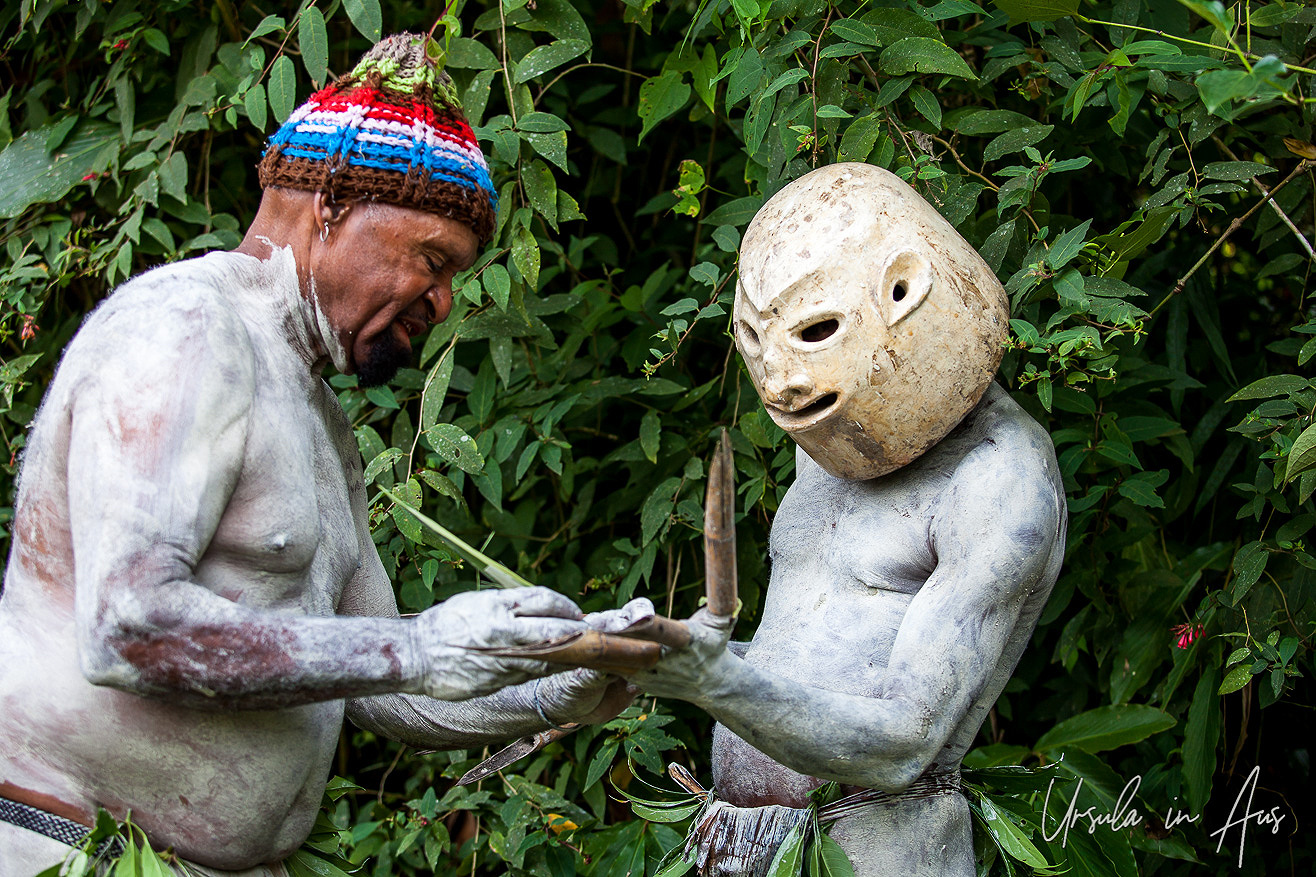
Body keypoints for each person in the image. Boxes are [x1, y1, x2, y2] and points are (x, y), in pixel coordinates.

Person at [0, 34, 633, 875]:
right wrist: (419, 647)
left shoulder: (324, 419)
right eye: (431, 260)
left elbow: (382, 682)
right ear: (330, 200)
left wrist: (556, 685)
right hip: (69, 848)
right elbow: (128, 625)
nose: (442, 302)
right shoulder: (183, 329)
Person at [631, 164, 1066, 877]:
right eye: (752, 338)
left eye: (815, 329)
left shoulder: (1000, 474)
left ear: (903, 291)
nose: (773, 381)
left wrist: (711, 680)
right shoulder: (833, 449)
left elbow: (903, 740)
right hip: (736, 845)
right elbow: (800, 666)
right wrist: (659, 652)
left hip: (877, 849)